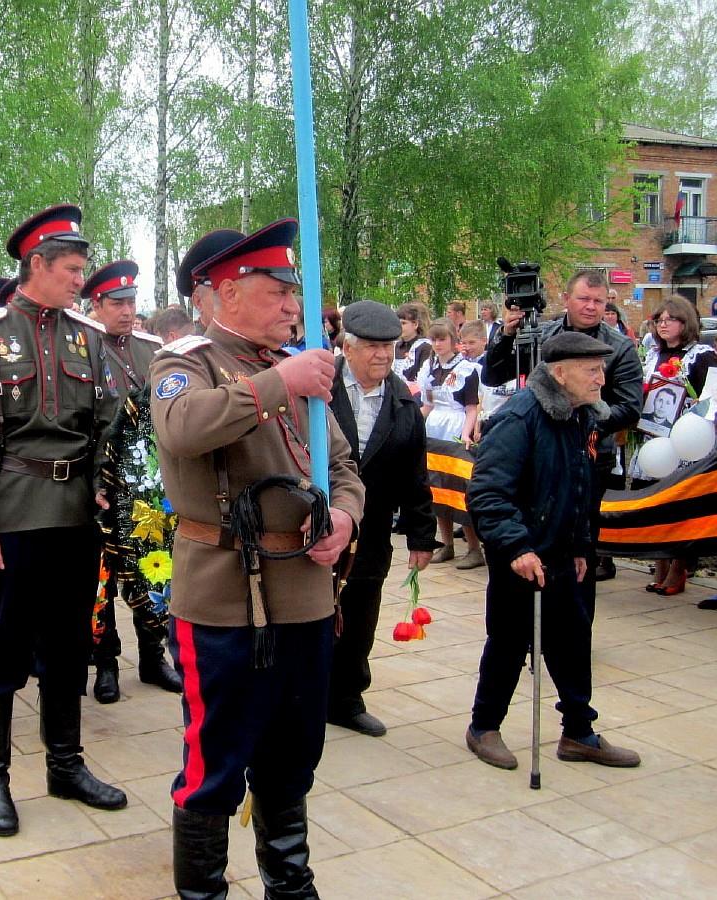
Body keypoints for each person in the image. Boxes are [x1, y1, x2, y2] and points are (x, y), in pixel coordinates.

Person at [151, 219, 364, 898]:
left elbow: (346, 467)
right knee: (214, 766)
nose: (290, 308)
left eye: (291, 294)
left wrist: (347, 516)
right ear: (220, 293)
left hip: (303, 589)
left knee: (292, 757)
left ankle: (290, 885)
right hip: (222, 596)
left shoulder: (292, 366)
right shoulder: (185, 360)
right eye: (275, 292)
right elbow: (183, 430)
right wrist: (281, 384)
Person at [0, 203, 126, 838]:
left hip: (77, 518)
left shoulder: (90, 339)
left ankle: (65, 766)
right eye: (72, 269)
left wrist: (113, 491)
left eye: (83, 270)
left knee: (71, 645)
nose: (82, 280)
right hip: (12, 517)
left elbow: (112, 425)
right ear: (37, 264)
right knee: (2, 648)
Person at [466, 331, 641, 771]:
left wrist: (582, 544)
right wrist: (517, 547)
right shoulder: (519, 419)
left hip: (563, 556)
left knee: (572, 643)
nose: (602, 379)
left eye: (602, 368)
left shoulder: (582, 415)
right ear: (559, 373)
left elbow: (580, 487)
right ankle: (483, 726)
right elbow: (487, 493)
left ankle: (579, 733)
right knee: (508, 643)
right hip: (522, 557)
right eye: (592, 370)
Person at [483, 269, 642, 587]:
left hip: (591, 451)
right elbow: (493, 376)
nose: (590, 306)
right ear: (566, 298)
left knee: (578, 539)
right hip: (535, 449)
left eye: (598, 301)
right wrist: (506, 336)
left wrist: (578, 422)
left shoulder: (620, 347)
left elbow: (629, 408)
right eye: (584, 298)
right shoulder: (543, 334)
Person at [328, 301, 439, 737]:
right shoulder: (319, 388)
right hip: (318, 522)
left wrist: (421, 535)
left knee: (360, 613)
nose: (382, 356)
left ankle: (347, 697)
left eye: (389, 347)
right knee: (308, 613)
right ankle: (302, 694)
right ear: (348, 347)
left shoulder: (401, 402)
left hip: (371, 528)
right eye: (372, 347)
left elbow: (414, 473)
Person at [80, 260, 180, 702]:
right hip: (102, 487)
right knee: (102, 578)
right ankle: (105, 661)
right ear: (96, 304)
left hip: (149, 486)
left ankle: (153, 655)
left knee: (152, 570)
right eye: (115, 302)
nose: (125, 310)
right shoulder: (81, 348)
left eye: (130, 301)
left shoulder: (152, 350)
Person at [638, 296, 717, 598]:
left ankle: (678, 567)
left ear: (686, 322)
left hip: (686, 442)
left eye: (671, 318)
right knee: (656, 502)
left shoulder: (701, 354)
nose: (663, 324)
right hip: (654, 438)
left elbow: (712, 397)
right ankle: (659, 564)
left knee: (679, 503)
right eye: (659, 319)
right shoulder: (652, 355)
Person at [419, 319, 484, 569]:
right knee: (437, 490)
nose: (437, 344)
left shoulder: (467, 369)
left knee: (459, 492)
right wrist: (414, 426)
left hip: (455, 429)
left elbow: (471, 408)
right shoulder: (430, 367)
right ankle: (446, 544)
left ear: (452, 340)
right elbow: (428, 405)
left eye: (441, 339)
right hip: (434, 430)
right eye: (433, 339)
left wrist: (466, 434)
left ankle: (474, 548)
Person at [177, 229, 244, 331]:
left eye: (243, 280)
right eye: (220, 283)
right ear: (198, 301)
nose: (236, 294)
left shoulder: (264, 344)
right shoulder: (196, 346)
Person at [393, 301, 433, 391]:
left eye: (403, 323)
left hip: (414, 396)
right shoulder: (395, 346)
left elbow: (424, 379)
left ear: (415, 324)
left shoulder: (425, 347)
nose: (399, 326)